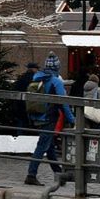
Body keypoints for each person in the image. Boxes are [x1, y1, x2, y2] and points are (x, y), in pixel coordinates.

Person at [23, 57, 74, 186]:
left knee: (49, 147)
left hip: (37, 116)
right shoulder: (56, 82)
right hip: (49, 118)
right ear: (57, 68)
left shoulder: (37, 78)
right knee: (42, 146)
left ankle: (59, 174)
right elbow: (64, 103)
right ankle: (31, 175)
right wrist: (72, 119)